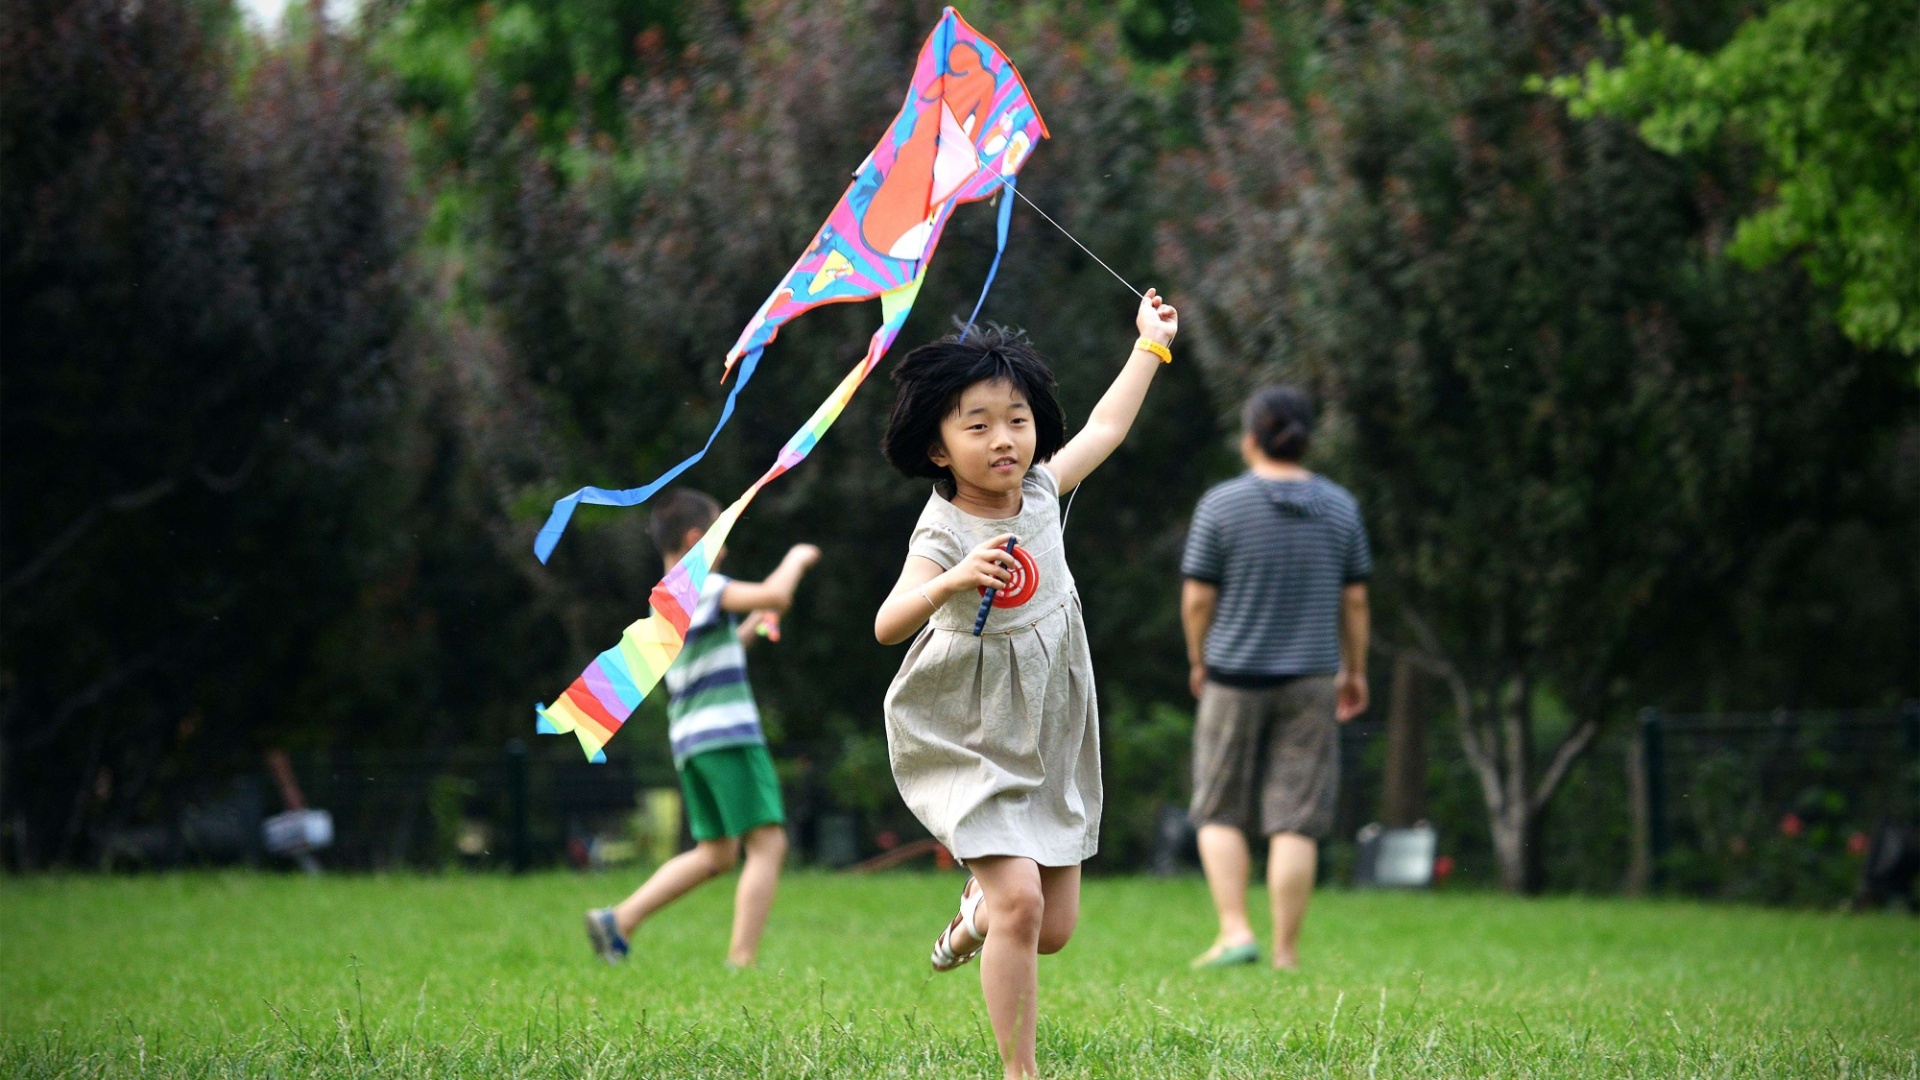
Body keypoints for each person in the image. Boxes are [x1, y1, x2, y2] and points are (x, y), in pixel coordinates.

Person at [874, 290, 1179, 1080]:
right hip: (965, 726)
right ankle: (1021, 1072)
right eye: (976, 425)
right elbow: (887, 624)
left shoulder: (1042, 489)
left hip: (1048, 718)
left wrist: (1150, 345)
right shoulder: (941, 530)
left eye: (1015, 418)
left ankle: (975, 915)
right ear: (939, 448)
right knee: (1022, 903)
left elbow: (1107, 427)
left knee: (1050, 928)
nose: (1003, 439)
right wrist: (949, 583)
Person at [584, 489, 820, 969]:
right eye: (721, 535)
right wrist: (796, 559)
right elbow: (777, 592)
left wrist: (756, 622)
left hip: (693, 742)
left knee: (716, 854)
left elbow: (720, 648)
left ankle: (619, 920)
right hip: (727, 736)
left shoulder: (666, 600)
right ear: (697, 538)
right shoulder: (699, 585)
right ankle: (742, 961)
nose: (726, 547)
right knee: (768, 843)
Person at [1180, 386, 1371, 971]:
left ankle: (1235, 931)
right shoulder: (1340, 507)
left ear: (1250, 439)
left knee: (1218, 807)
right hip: (1312, 674)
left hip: (1232, 674)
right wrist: (1355, 669)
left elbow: (1196, 598)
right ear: (1306, 438)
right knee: (1296, 819)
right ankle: (1285, 953)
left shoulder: (1221, 504)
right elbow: (1357, 599)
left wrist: (1197, 658)